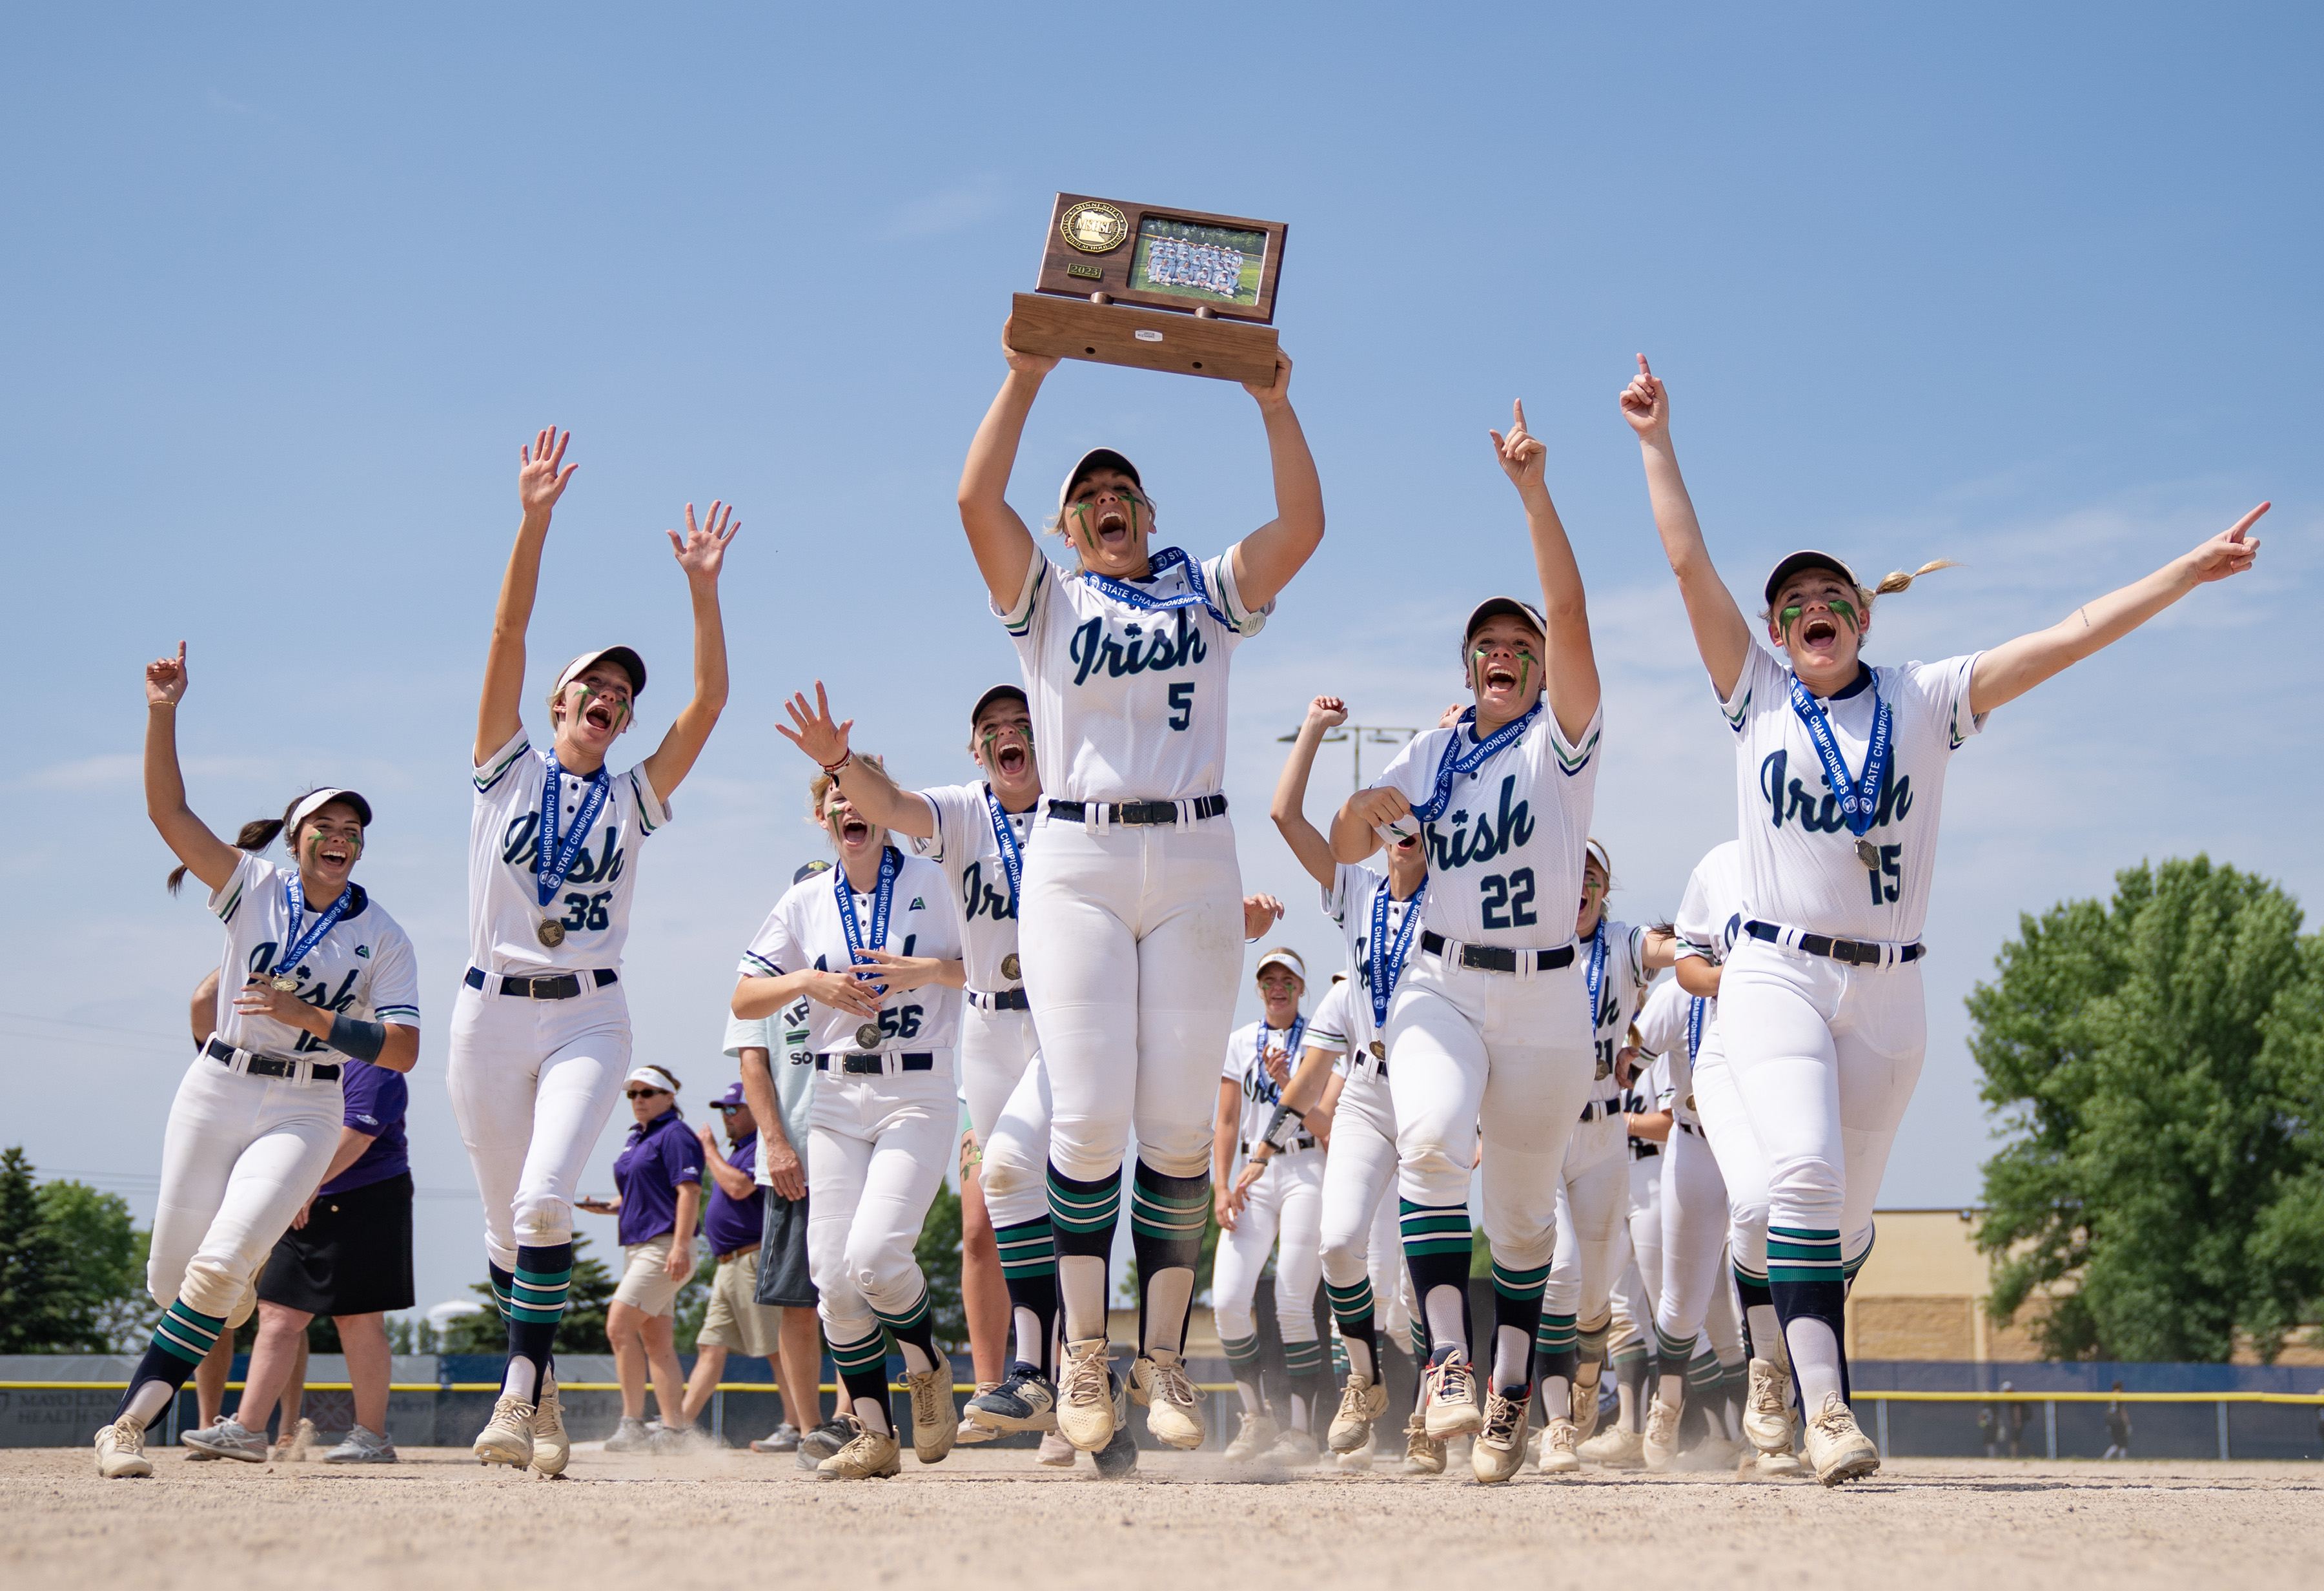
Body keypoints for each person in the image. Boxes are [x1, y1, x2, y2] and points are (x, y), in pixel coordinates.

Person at [1620, 351, 2265, 1484]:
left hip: (1893, 988)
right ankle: (1824, 1408)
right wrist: (1655, 439)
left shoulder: (1924, 696)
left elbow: (2065, 635)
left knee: (1843, 1217)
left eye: (1832, 600)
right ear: (1777, 629)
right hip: (1775, 972)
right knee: (1804, 1181)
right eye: (1794, 605)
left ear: (1864, 615)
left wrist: (2186, 571)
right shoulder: (1759, 693)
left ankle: (1780, 1343)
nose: (1812, 612)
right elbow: (1686, 564)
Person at [958, 316, 1321, 1455]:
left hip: (1199, 852)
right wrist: (1023, 377)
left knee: (1172, 1124)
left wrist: (1270, 399)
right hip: (1079, 855)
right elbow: (975, 503)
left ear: (1150, 513)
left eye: (1125, 488)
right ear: (1070, 525)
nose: (1107, 499)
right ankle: (1079, 1350)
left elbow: (1303, 526)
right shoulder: (1053, 599)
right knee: (1089, 1109)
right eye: (1088, 494)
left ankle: (1160, 1357)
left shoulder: (1205, 590)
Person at [451, 427, 737, 1473]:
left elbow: (707, 704)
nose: (610, 694)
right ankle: (545, 1382)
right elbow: (508, 629)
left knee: (541, 1202)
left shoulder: (632, 795)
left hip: (588, 1011)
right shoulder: (505, 766)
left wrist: (702, 589)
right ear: (559, 704)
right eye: (594, 684)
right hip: (488, 1009)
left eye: (624, 689)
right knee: (502, 1225)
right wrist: (534, 521)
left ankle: (517, 1393)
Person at [1329, 400, 1604, 1485]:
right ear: (1468, 666)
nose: (1506, 653)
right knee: (1434, 1139)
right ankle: (1445, 1359)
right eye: (1488, 645)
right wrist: (1383, 807)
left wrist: (1534, 491)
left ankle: (1507, 1399)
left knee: (1525, 1217)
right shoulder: (1439, 743)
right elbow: (1360, 819)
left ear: (1538, 671)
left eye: (1519, 646)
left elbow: (1573, 614)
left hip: (1545, 998)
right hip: (1441, 977)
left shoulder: (1560, 746)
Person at [771, 681, 1116, 1470]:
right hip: (991, 1025)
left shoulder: (1082, 801)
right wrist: (834, 759)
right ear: (975, 750)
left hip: (1069, 1017)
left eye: (1020, 723)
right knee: (1003, 1202)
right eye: (990, 728)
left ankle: (1061, 1372)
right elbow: (884, 800)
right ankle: (1067, 1385)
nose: (1006, 735)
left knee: (1044, 1186)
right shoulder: (963, 810)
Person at [96, 645, 420, 1480]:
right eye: (327, 826)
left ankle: (126, 1427)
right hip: (218, 1084)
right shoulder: (254, 884)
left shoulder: (383, 933)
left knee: (222, 1259)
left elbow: (405, 1049)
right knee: (176, 1277)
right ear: (297, 835)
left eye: (354, 831)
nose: (342, 838)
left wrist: (313, 1017)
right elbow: (168, 815)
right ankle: (219, 1293)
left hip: (307, 1107)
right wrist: (161, 711)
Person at [731, 762, 968, 1482]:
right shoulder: (804, 900)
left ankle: (927, 1363)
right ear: (824, 820)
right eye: (834, 800)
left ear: (883, 809)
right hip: (835, 1095)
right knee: (832, 1278)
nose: (847, 807)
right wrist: (806, 980)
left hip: (918, 1088)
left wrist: (924, 969)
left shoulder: (936, 878)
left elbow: (997, 966)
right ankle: (872, 1432)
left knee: (874, 1256)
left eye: (859, 795)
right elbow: (744, 998)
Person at [1263, 693, 1428, 1470]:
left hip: (1435, 1089)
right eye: (1390, 826)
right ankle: (1362, 1378)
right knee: (1336, 1244)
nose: (1400, 838)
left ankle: (1433, 1405)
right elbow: (1284, 815)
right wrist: (1316, 732)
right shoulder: (1357, 893)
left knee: (1423, 1273)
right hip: (1366, 1088)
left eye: (1415, 825)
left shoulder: (1459, 903)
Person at [1535, 840, 1675, 1473]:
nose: (1581, 884)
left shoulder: (1620, 942)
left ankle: (1588, 1376)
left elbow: (1664, 950)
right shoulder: (1530, 942)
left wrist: (1706, 943)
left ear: (1604, 887)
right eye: (1571, 872)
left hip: (1604, 1131)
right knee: (1558, 1270)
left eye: (1591, 875)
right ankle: (1557, 1423)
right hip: (1541, 1126)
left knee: (1597, 1295)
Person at [1669, 838, 1803, 1478]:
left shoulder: (1823, 850)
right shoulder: (1721, 864)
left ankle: (1813, 1402)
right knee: (1691, 1290)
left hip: (1811, 1044)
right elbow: (1685, 968)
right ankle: (1719, 1404)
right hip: (1696, 1125)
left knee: (1823, 1233)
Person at [225, 1030, 418, 1465]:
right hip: (305, 1195)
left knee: (359, 1318)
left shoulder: (375, 1057)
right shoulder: (305, 1056)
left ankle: (372, 1437)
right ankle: (249, 1430)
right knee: (277, 1311)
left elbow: (359, 1132)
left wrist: (308, 1183)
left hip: (365, 1194)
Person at [723, 863, 831, 1463]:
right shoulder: (761, 977)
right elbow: (752, 1066)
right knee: (796, 1301)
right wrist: (777, 1144)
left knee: (857, 1293)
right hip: (791, 1162)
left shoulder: (855, 958)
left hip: (855, 1149)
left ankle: (853, 1419)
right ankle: (811, 1427)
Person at [1211, 948, 1326, 1463]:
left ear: (1302, 988)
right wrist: (1219, 1185)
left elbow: (1324, 1124)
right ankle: (1257, 1418)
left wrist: (1286, 1082)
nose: (1278, 987)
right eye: (1269, 980)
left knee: (1291, 1302)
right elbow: (1228, 1122)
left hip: (1307, 1168)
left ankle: (1301, 1433)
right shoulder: (1240, 1042)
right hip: (1253, 1174)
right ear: (1259, 989)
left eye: (1288, 980)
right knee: (1229, 1301)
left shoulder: (1321, 1042)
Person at [578, 1065, 704, 1452]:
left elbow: (688, 1192)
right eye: (632, 1094)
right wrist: (612, 1206)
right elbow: (648, 1193)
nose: (638, 1100)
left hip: (664, 1247)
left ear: (669, 1096)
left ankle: (632, 1424)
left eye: (647, 1093)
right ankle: (676, 1432)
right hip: (639, 1248)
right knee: (657, 1342)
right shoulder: (639, 1138)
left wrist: (681, 1246)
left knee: (618, 1327)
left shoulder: (675, 1134)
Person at [677, 1082, 792, 1443]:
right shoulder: (740, 1150)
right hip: (727, 1264)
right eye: (722, 1109)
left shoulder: (761, 1147)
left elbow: (740, 1188)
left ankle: (797, 1425)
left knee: (776, 1347)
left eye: (733, 1108)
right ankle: (677, 1427)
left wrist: (709, 1151)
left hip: (754, 1259)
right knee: (710, 1346)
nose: (725, 1116)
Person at [2103, 1381, 2132, 1460]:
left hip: (2111, 1420)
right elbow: (2123, 1411)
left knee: (2117, 1442)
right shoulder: (2119, 1396)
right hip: (2118, 1420)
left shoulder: (2111, 1396)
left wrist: (2108, 1423)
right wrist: (2127, 1424)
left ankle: (2107, 1457)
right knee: (2123, 1442)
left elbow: (2107, 1411)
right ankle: (2121, 1459)